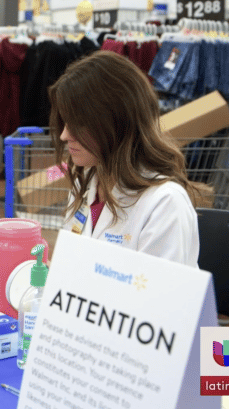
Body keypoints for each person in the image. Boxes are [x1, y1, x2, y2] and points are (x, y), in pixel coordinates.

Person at [49, 50, 199, 267]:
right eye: (65, 122)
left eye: (78, 124)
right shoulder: (86, 180)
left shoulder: (165, 204)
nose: (64, 135)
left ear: (117, 121)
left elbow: (157, 297)